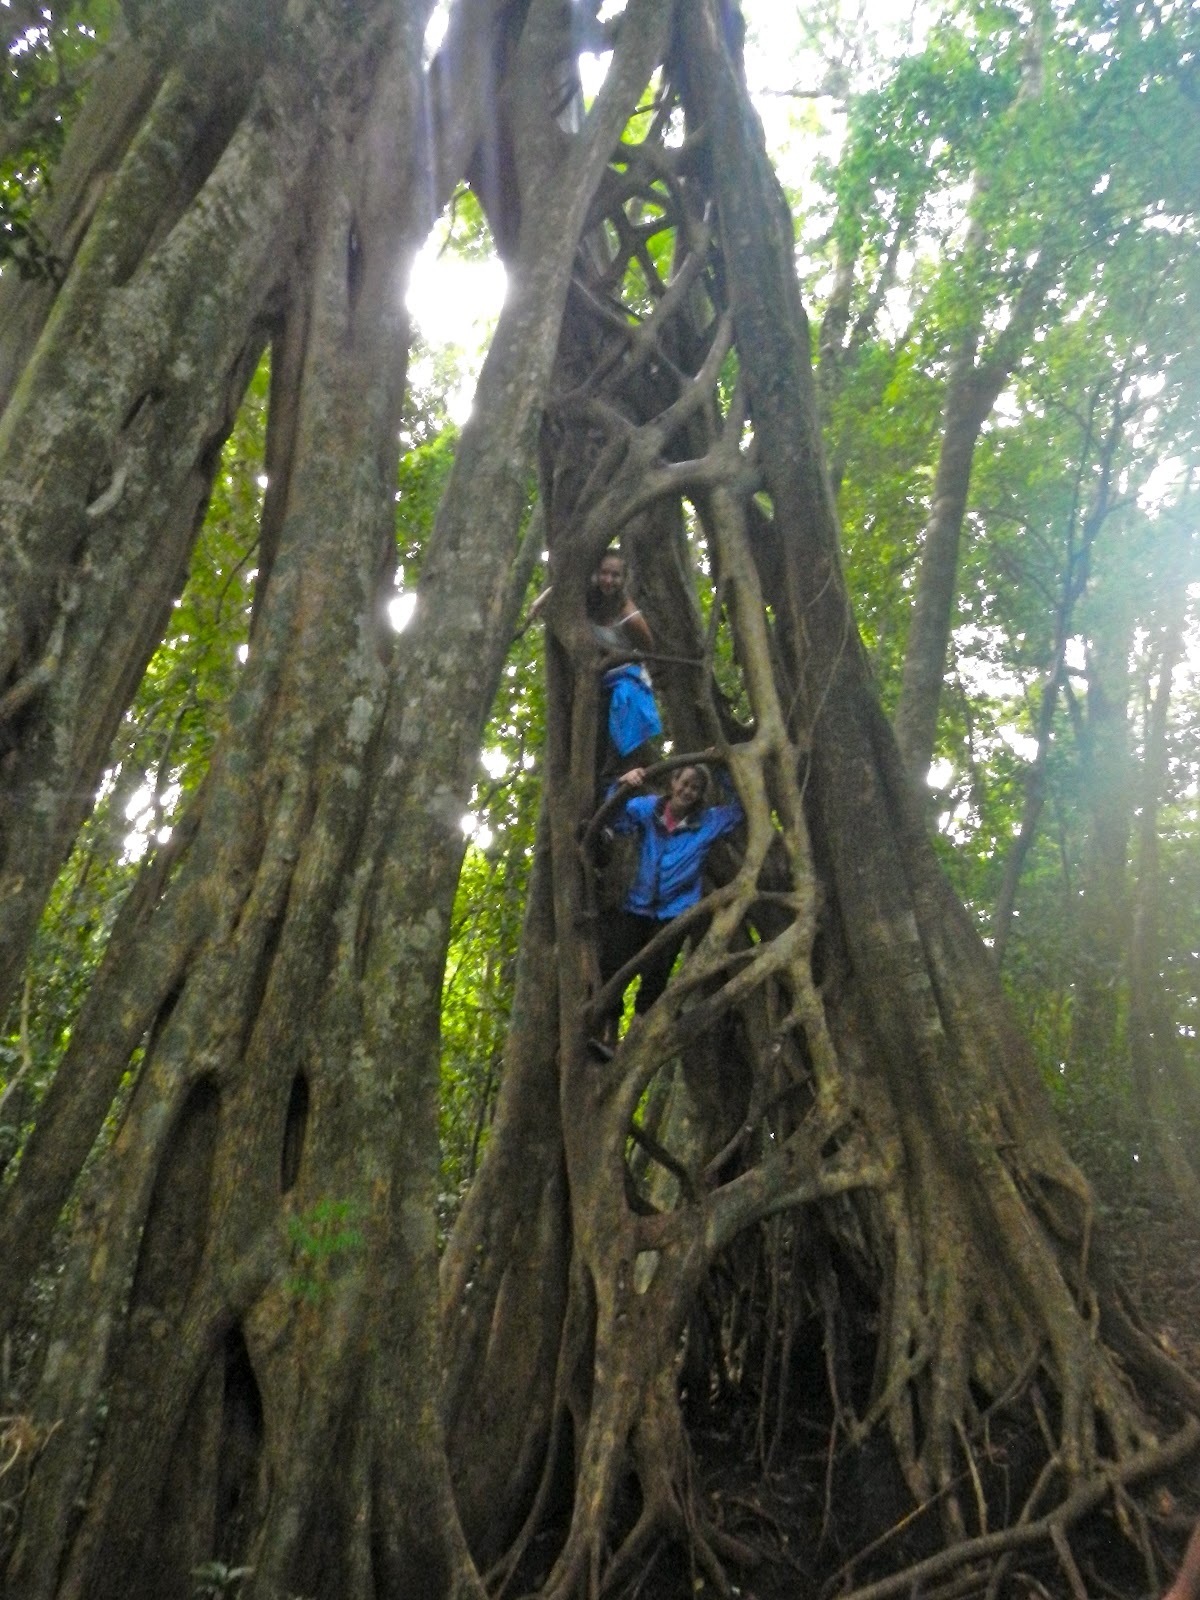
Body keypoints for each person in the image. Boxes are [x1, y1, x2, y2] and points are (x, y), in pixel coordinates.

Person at [596, 762, 743, 1040]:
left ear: (700, 795)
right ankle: (608, 1036)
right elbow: (615, 817)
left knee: (656, 977)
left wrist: (723, 767)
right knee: (613, 966)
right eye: (684, 783)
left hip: (674, 912)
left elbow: (740, 810)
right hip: (636, 905)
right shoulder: (649, 809)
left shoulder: (707, 822)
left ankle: (635, 1037)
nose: (687, 791)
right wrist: (622, 784)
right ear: (673, 782)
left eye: (695, 788)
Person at [525, 549, 662, 780]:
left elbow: (649, 650)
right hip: (594, 677)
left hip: (625, 675)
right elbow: (564, 586)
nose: (608, 580)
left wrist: (614, 654)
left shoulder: (629, 615)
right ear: (595, 573)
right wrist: (541, 599)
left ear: (623, 578)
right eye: (604, 573)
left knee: (624, 699)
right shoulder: (586, 597)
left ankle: (621, 769)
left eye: (615, 575)